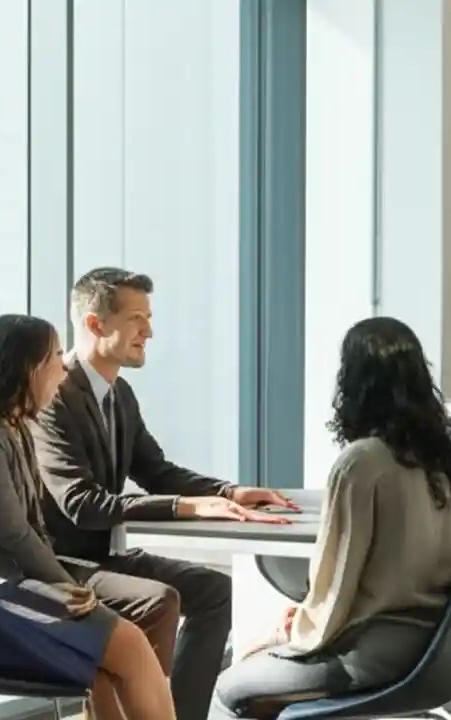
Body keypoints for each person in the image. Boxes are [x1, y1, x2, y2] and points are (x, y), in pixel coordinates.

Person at [31, 267, 296, 720]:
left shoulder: (120, 395)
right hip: (62, 566)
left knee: (216, 592)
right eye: (138, 319)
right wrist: (189, 507)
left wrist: (229, 491)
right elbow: (80, 504)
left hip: (107, 557)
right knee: (161, 599)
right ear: (96, 324)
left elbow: (156, 471)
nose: (149, 332)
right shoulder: (54, 397)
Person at [212, 317, 451, 720]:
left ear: (354, 381)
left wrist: (293, 631)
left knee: (231, 685)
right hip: (429, 646)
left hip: (369, 652)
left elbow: (337, 578)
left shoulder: (362, 463)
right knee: (259, 665)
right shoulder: (441, 460)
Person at [0, 313, 176, 720]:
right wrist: (64, 586)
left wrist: (63, 581)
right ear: (29, 368)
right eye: (56, 357)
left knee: (119, 653)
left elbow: (27, 533)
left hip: (9, 581)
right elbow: (15, 535)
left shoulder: (14, 427)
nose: (63, 367)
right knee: (130, 647)